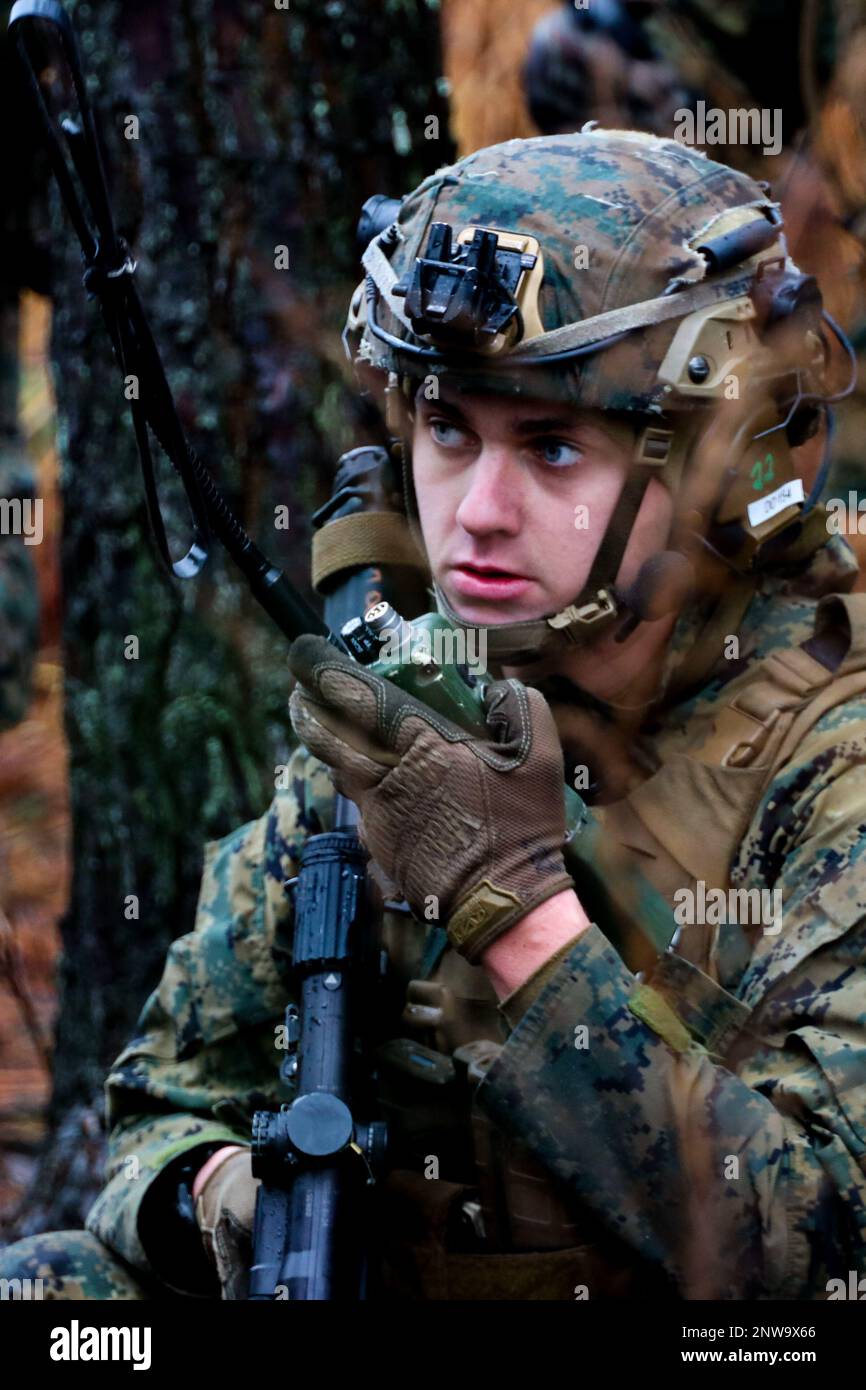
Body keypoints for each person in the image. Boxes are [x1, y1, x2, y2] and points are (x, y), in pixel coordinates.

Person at [3, 127, 865, 1301]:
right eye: (449, 431)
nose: (477, 515)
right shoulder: (413, 696)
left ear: (708, 468)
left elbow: (817, 1257)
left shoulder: (832, 749)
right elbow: (165, 1093)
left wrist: (511, 911)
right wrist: (220, 1195)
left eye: (553, 448)